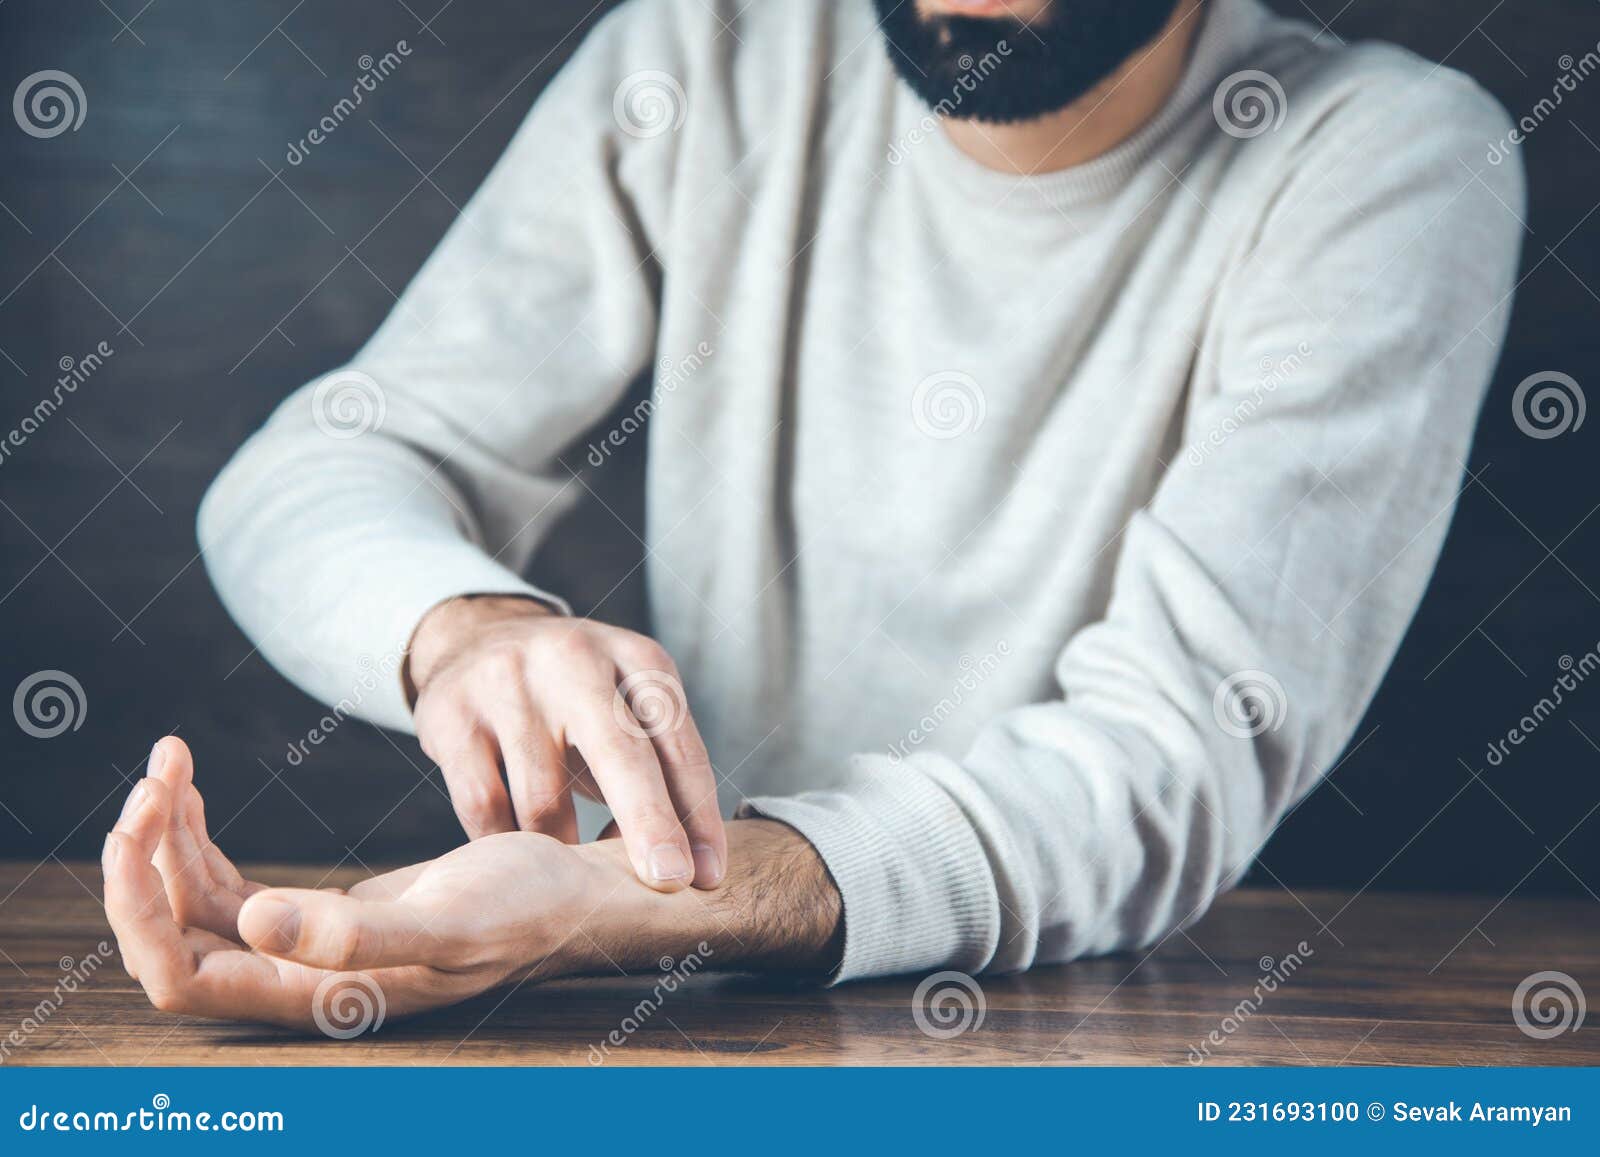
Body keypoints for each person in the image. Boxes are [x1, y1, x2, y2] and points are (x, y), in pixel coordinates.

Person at [106, 0, 1524, 1026]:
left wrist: (636, 903)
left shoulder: (1383, 157)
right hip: (678, 1023)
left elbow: (1165, 758)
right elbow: (318, 466)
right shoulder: (712, 49)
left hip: (1086, 1040)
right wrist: (468, 626)